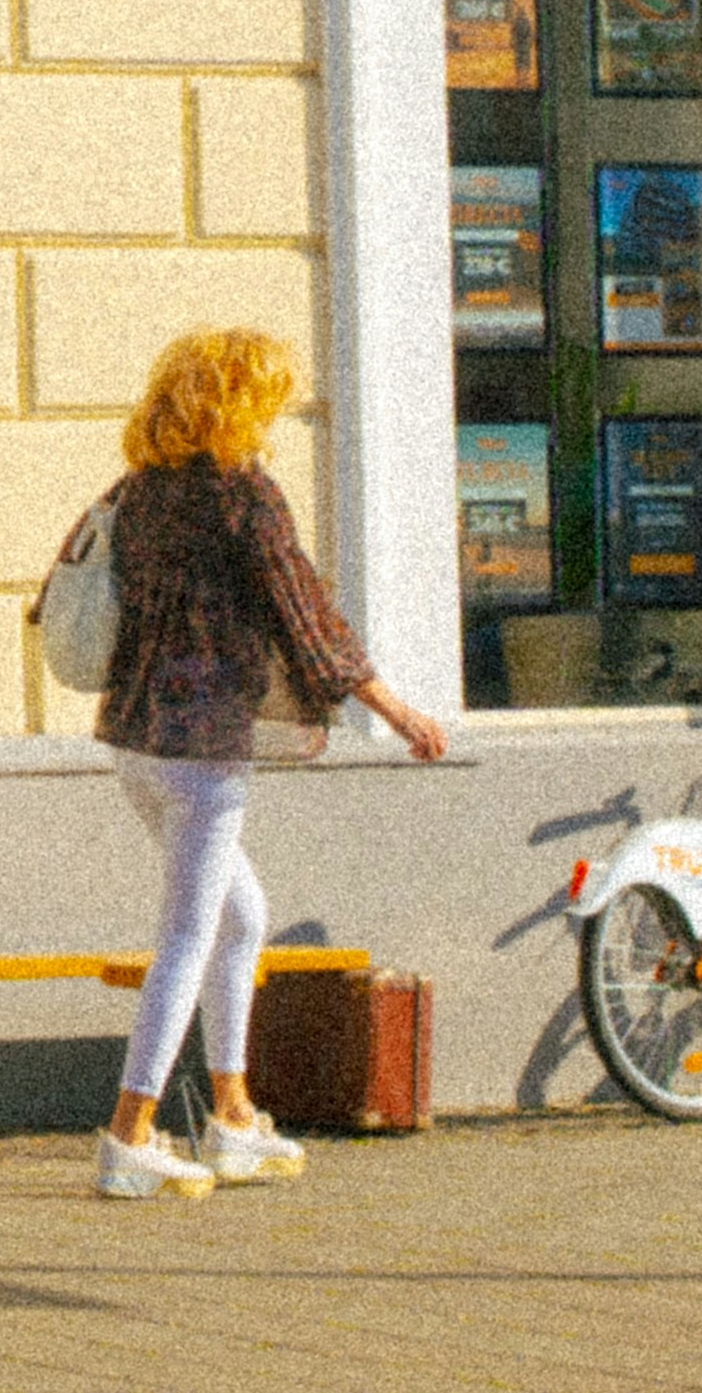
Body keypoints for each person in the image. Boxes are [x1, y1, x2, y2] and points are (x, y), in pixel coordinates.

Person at [87, 327, 440, 1198]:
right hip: (203, 748)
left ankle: (233, 1116)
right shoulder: (246, 498)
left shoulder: (139, 494)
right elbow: (308, 617)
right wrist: (397, 713)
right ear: (240, 404)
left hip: (135, 740)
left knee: (243, 918)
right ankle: (129, 1134)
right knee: (186, 937)